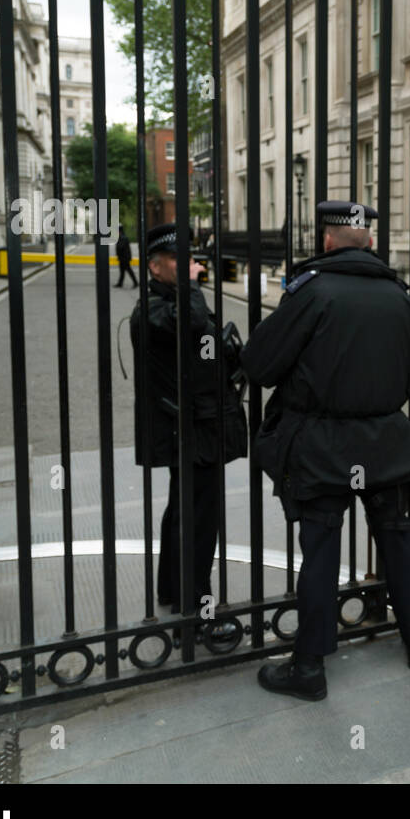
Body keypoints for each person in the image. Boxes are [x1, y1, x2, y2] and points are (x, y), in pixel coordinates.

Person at [242, 200, 410, 700]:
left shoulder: (312, 291)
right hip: (387, 440)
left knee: (322, 551)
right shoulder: (398, 294)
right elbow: (408, 369)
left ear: (326, 240)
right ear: (368, 240)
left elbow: (260, 364)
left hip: (324, 444)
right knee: (397, 539)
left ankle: (309, 668)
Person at [130, 222, 247, 637]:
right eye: (178, 261)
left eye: (190, 259)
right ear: (154, 267)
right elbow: (192, 325)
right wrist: (192, 285)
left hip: (198, 428)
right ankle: (197, 616)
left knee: (184, 512)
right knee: (198, 519)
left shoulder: (172, 303)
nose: (190, 267)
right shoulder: (156, 309)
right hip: (188, 431)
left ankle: (172, 590)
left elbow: (204, 347)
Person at [115, 223, 137, 288]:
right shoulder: (121, 236)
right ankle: (120, 283)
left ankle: (135, 283)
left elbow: (120, 247)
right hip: (122, 257)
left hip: (125, 258)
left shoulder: (123, 237)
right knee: (122, 271)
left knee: (129, 270)